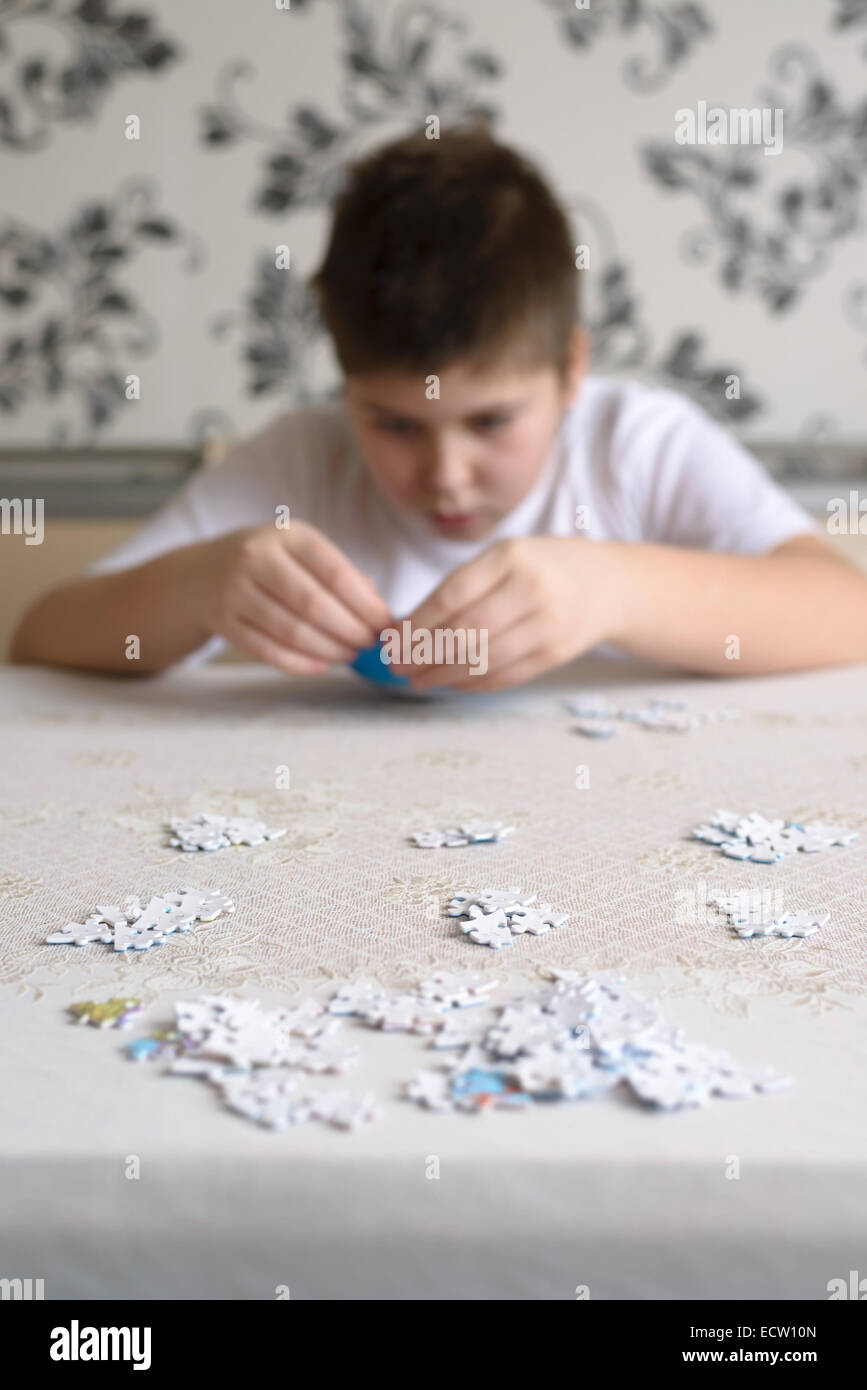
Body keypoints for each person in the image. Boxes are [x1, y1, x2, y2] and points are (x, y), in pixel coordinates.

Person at [12, 127, 867, 690]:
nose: (446, 476)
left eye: (491, 421)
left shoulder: (637, 446)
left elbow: (846, 611)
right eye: (394, 423)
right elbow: (41, 640)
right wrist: (198, 587)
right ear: (344, 384)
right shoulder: (301, 460)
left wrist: (610, 589)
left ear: (572, 369)